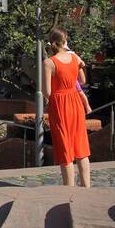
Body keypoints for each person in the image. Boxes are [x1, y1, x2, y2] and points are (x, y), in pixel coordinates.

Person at [44, 27, 91, 188]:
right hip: (75, 102)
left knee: (65, 147)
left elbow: (47, 91)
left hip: (59, 104)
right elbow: (83, 81)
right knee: (81, 146)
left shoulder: (49, 62)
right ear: (65, 42)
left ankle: (69, 190)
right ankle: (87, 188)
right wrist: (79, 64)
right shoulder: (75, 58)